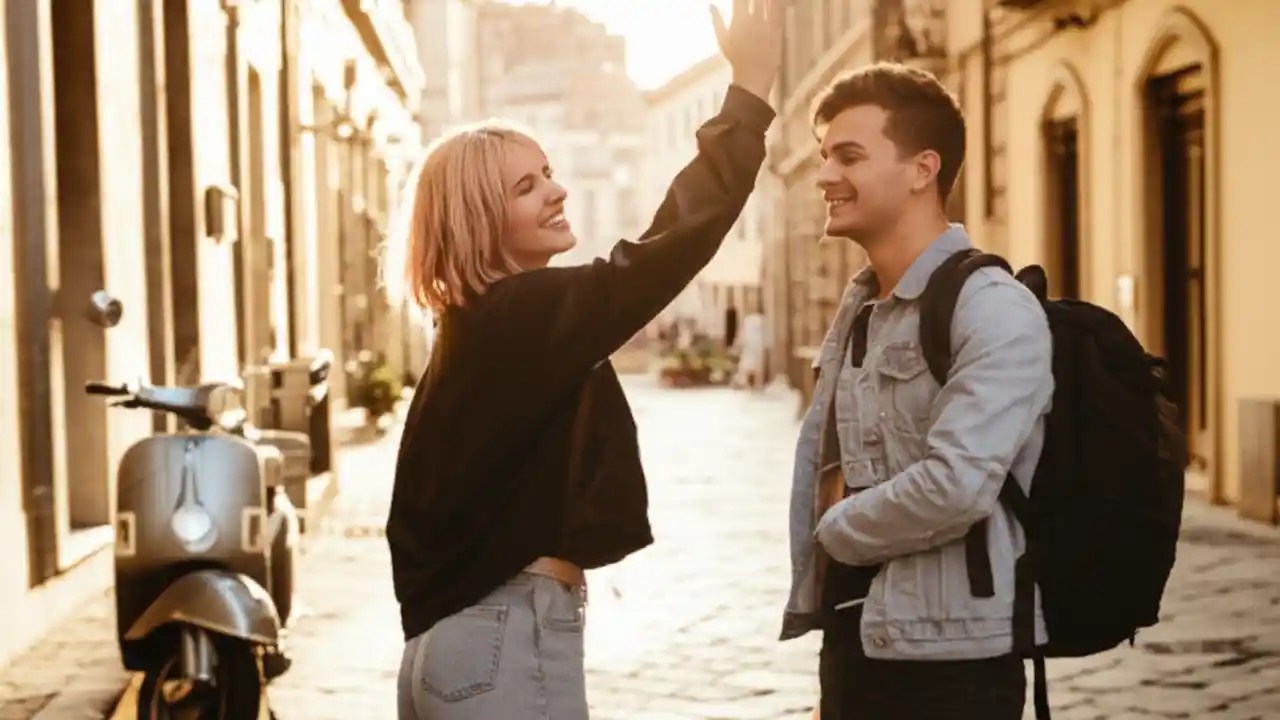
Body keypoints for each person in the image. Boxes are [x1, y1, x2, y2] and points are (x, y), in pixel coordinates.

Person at [385, 2, 782, 718]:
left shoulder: (472, 331)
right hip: (504, 640)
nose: (558, 190)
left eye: (549, 172)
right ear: (479, 220)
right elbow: (665, 251)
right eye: (526, 186)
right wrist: (749, 95)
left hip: (445, 649)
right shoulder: (519, 316)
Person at [779, 62, 1054, 719]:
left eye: (849, 155)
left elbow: (956, 485)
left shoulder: (992, 307)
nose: (824, 177)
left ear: (922, 169)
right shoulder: (866, 310)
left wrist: (835, 529)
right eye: (823, 157)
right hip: (860, 637)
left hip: (953, 663)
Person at [733, 301, 768, 390]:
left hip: (749, 345)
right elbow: (764, 333)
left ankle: (746, 383)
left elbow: (743, 334)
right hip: (757, 345)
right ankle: (758, 384)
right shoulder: (761, 319)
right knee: (757, 366)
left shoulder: (748, 319)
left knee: (747, 365)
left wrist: (738, 343)